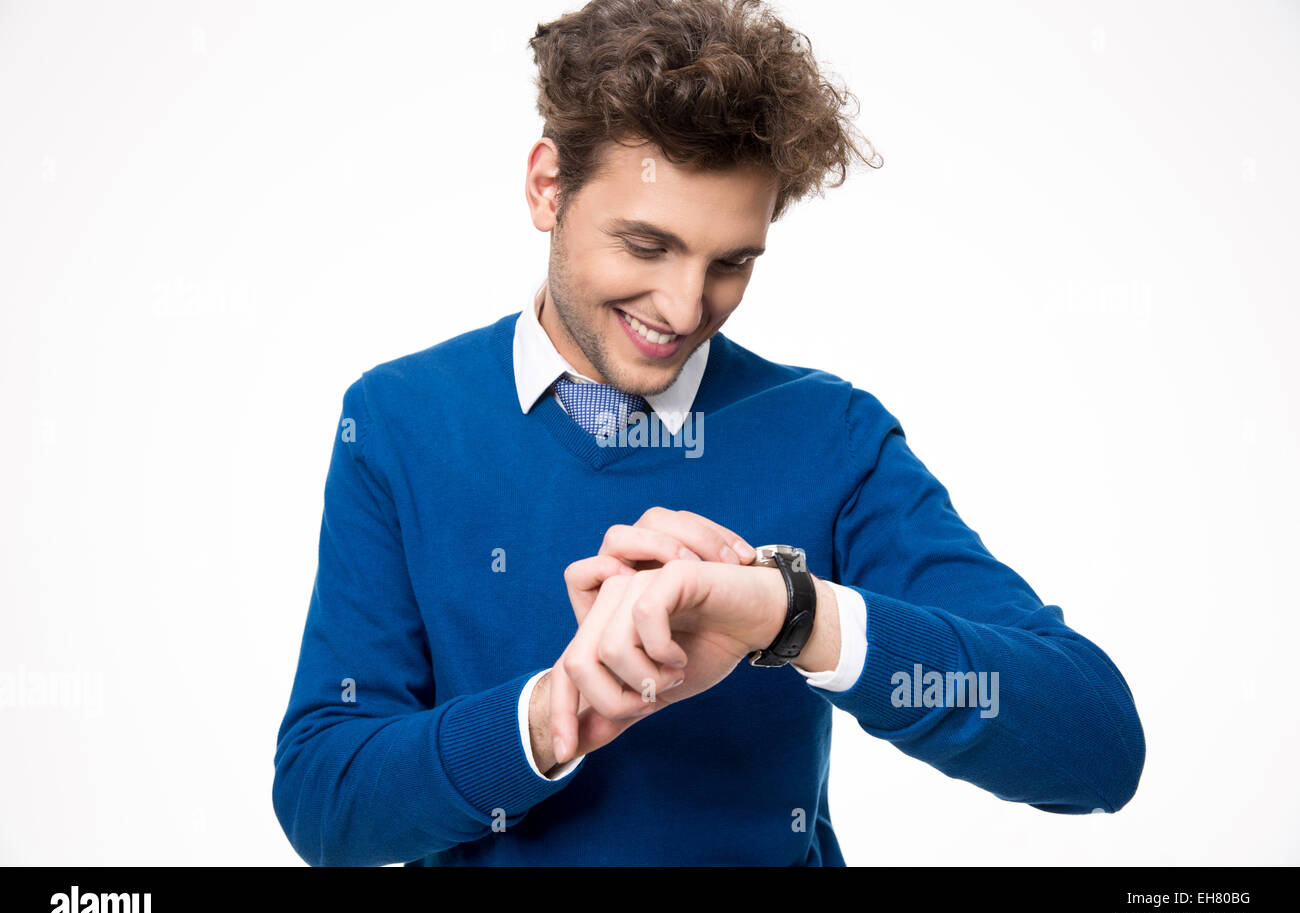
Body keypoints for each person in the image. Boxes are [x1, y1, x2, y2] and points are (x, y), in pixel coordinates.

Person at [272, 0, 1145, 866]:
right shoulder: (401, 421)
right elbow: (325, 799)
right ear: (547, 187)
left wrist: (791, 614)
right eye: (647, 246)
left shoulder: (827, 434)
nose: (687, 309)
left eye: (731, 262)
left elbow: (1092, 744)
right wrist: (555, 712)